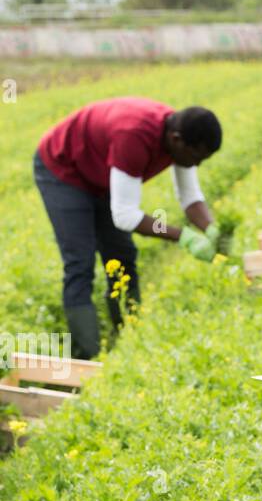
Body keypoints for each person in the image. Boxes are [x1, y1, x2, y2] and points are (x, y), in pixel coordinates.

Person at [34, 99, 224, 359]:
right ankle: (87, 358)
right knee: (80, 263)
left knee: (122, 257)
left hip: (102, 173)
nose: (196, 165)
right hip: (65, 171)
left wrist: (213, 229)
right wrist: (184, 237)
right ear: (177, 140)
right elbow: (124, 216)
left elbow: (190, 197)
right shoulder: (134, 137)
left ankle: (128, 337)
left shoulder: (181, 134)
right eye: (196, 157)